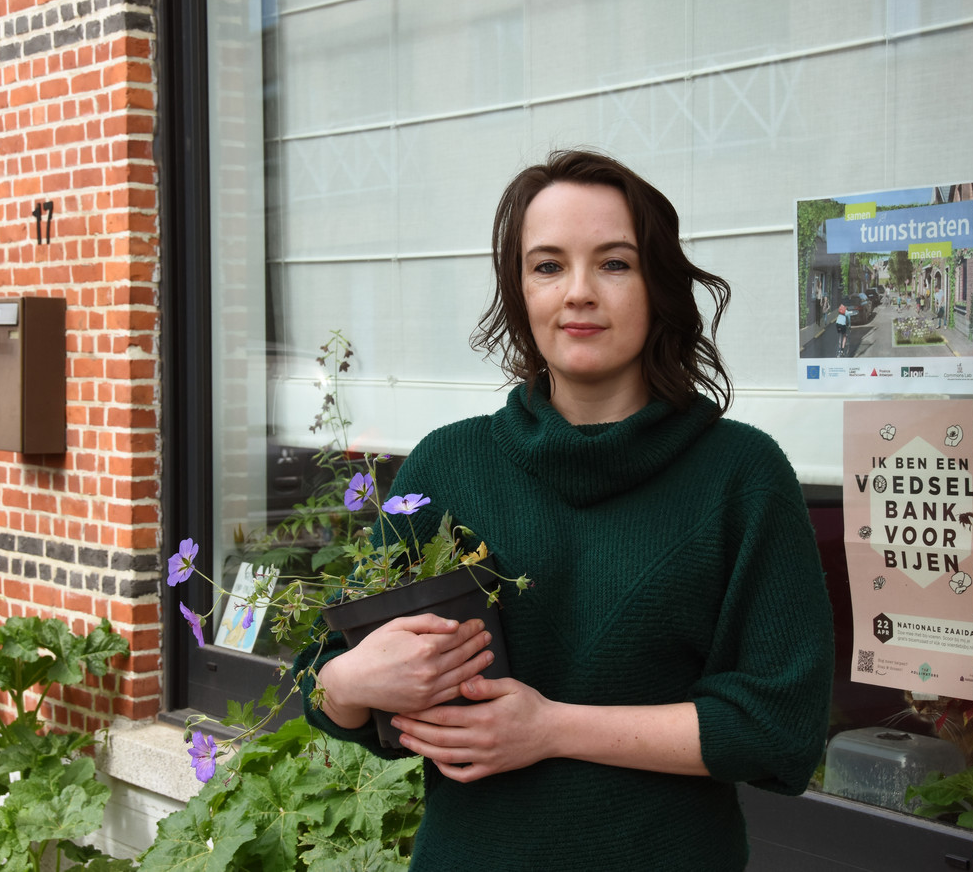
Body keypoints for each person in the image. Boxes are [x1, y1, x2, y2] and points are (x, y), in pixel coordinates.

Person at [296, 149, 834, 870]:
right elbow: (324, 677)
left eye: (614, 263)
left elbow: (777, 728)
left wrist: (549, 728)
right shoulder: (446, 466)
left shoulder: (740, 475)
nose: (577, 292)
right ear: (518, 292)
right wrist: (348, 682)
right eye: (547, 266)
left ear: (659, 287)